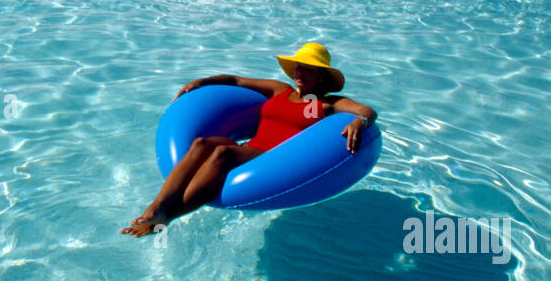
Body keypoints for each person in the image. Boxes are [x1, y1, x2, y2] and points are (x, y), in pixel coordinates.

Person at [120, 42, 377, 237]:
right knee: (201, 144)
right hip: (249, 148)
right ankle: (156, 207)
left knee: (223, 154)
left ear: (321, 75)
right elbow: (236, 80)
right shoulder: (281, 90)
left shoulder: (327, 103)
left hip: (273, 158)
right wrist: (200, 82)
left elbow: (366, 111)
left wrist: (359, 121)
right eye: (298, 67)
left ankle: (167, 217)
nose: (299, 72)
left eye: (308, 69)